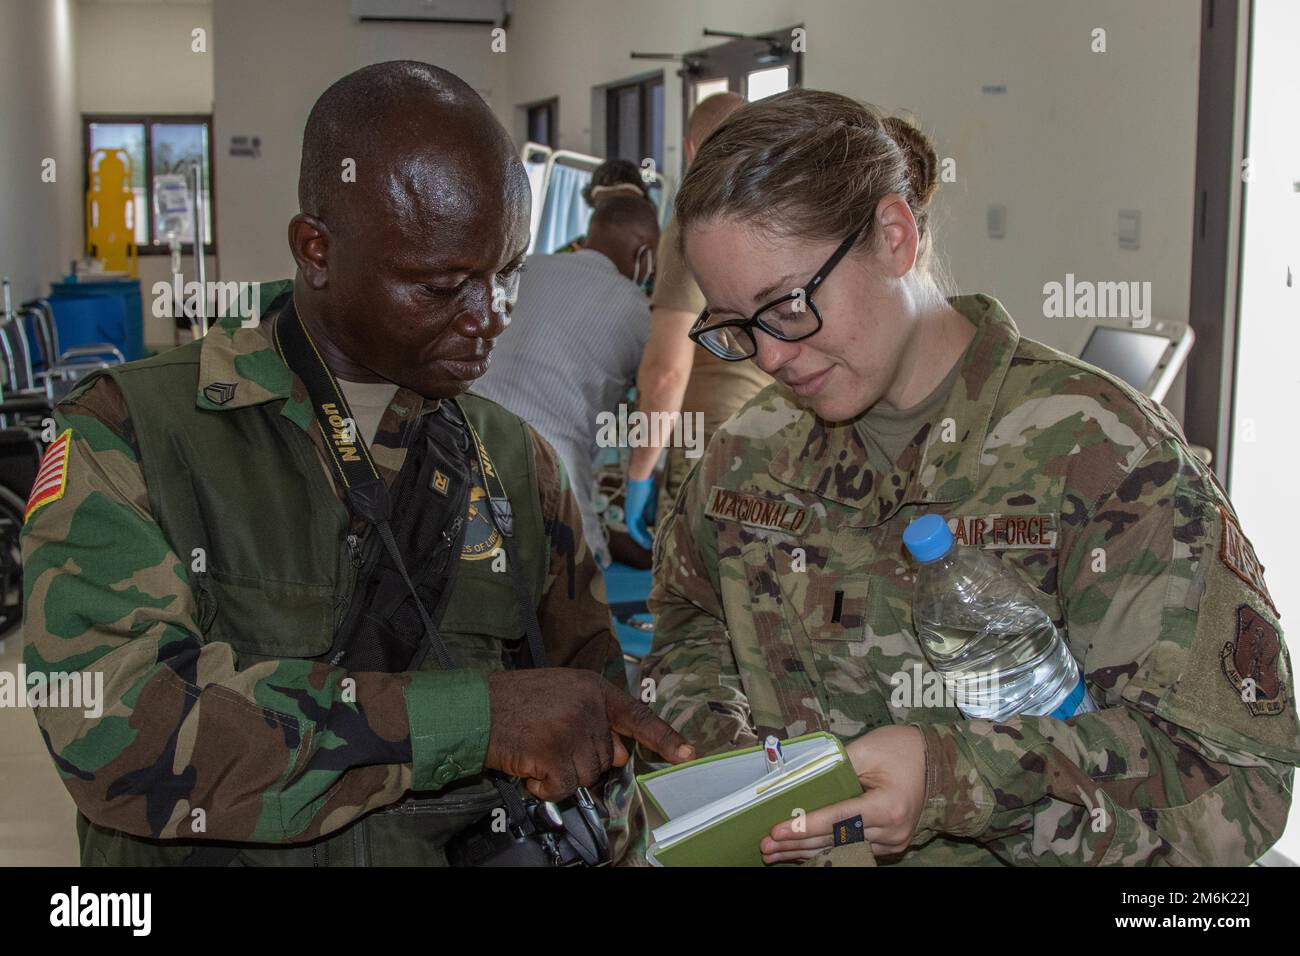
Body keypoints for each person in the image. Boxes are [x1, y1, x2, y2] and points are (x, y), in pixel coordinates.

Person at [21, 60, 691, 867]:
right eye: (442, 285)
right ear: (318, 251)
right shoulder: (130, 435)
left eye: (507, 273)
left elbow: (588, 727)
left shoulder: (516, 462)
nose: (491, 319)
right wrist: (472, 719)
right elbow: (112, 727)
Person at [642, 88, 1298, 866]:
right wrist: (749, 783)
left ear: (894, 237)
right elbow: (687, 622)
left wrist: (955, 778)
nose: (771, 357)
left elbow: (1235, 787)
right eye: (735, 327)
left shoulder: (1101, 456)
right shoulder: (747, 455)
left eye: (786, 305)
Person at [624, 91, 780, 551]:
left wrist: (640, 473)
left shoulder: (695, 223)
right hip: (784, 429)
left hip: (710, 437)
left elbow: (666, 372)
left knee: (692, 599)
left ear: (692, 148)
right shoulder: (787, 215)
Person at [474, 194, 659, 570]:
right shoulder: (638, 311)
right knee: (580, 579)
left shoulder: (525, 270)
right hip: (549, 468)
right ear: (646, 256)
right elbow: (662, 390)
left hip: (463, 437)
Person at [556, 159, 652, 254]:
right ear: (594, 206)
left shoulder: (655, 257)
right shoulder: (567, 257)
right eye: (606, 207)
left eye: (625, 206)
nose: (616, 214)